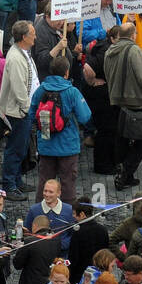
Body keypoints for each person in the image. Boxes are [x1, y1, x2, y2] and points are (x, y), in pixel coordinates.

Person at [32, 55, 92, 204]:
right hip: (68, 145)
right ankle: (67, 216)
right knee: (68, 183)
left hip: (46, 144)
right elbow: (85, 116)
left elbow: (32, 114)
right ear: (66, 72)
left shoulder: (41, 90)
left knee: (45, 183)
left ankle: (41, 213)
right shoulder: (72, 92)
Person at [104, 20, 142, 190]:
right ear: (133, 35)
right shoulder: (134, 50)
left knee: (122, 139)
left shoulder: (110, 50)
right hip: (134, 101)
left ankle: (126, 173)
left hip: (116, 100)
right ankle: (125, 173)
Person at [0, 19, 38, 200]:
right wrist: (27, 108)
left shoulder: (23, 52)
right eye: (32, 33)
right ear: (24, 37)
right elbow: (18, 87)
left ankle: (16, 180)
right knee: (14, 149)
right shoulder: (15, 58)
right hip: (19, 111)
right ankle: (9, 185)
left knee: (20, 148)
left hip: (23, 109)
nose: (35, 36)